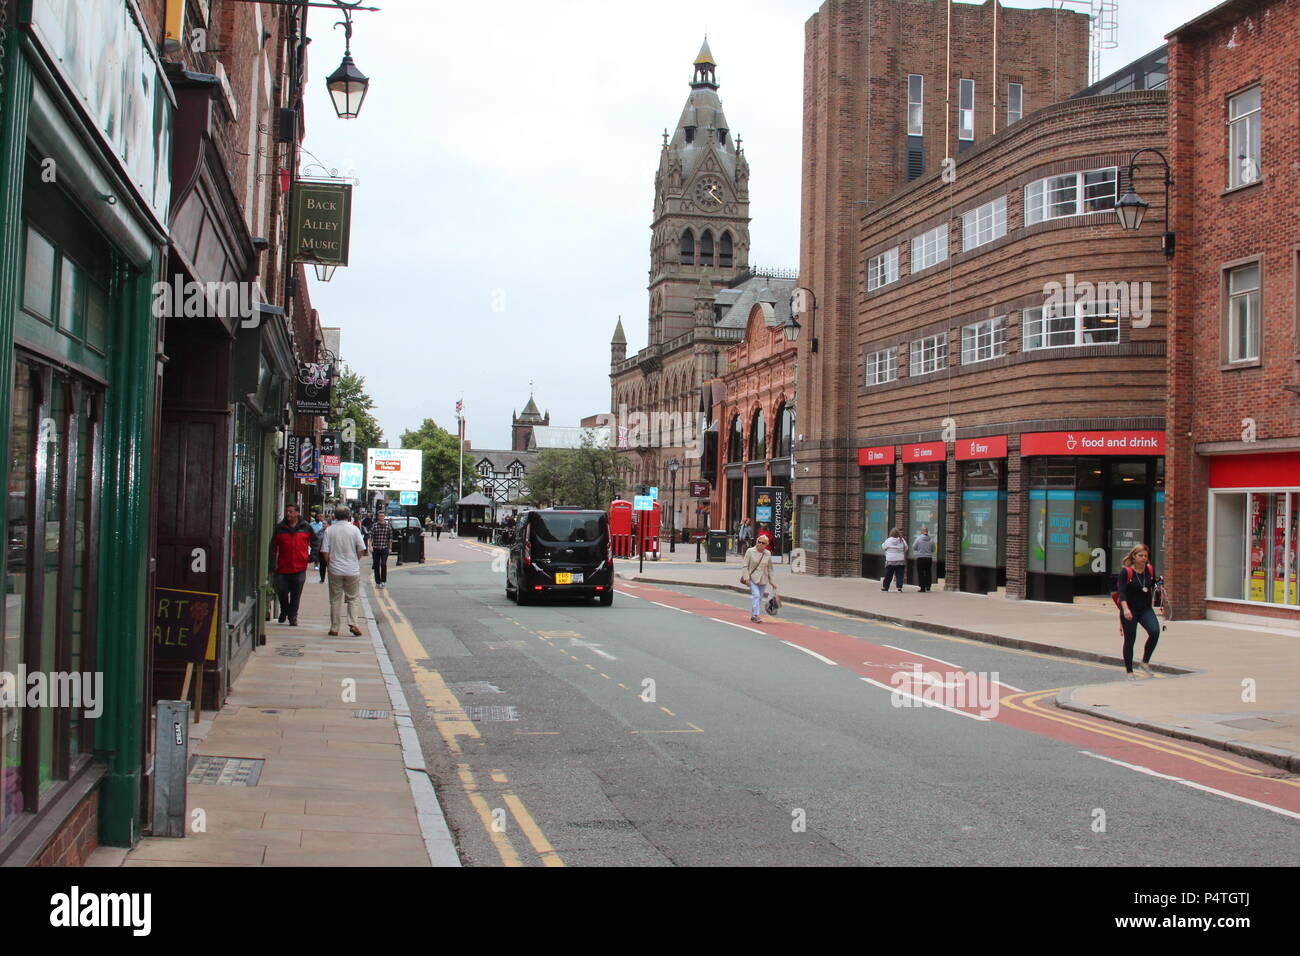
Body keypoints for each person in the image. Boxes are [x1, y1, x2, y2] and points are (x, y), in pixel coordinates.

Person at [1117, 543, 1163, 681]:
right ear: (1134, 556)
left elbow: (1151, 585)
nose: (1143, 558)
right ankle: (1129, 672)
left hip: (1145, 609)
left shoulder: (1149, 569)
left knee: (1155, 631)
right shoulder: (1126, 572)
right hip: (1129, 610)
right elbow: (1122, 593)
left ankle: (1144, 662)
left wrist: (1159, 585)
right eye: (1140, 556)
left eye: (1145, 556)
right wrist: (1125, 609)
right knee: (1130, 640)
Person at [320, 506, 368, 636]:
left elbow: (324, 550)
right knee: (352, 598)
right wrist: (355, 560)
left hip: (335, 569)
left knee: (335, 599)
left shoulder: (329, 530)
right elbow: (361, 548)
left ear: (334, 516)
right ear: (349, 516)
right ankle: (353, 624)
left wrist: (330, 564)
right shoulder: (354, 529)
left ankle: (334, 628)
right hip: (352, 569)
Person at [269, 504, 314, 625]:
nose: (288, 514)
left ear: (297, 513)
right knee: (281, 591)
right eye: (287, 511)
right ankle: (285, 610)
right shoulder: (280, 528)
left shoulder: (306, 527)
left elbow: (315, 542)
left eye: (290, 511)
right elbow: (273, 547)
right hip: (283, 567)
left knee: (296, 594)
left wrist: (312, 557)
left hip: (299, 567)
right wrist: (271, 564)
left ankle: (292, 617)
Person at [741, 532, 776, 624]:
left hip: (763, 579)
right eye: (759, 542)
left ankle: (753, 615)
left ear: (766, 545)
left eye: (763, 543)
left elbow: (770, 569)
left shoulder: (767, 553)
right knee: (756, 595)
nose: (760, 544)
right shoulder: (750, 551)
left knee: (759, 597)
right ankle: (756, 615)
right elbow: (745, 566)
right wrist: (746, 578)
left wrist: (772, 582)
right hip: (752, 578)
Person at [370, 512, 394, 588]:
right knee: (376, 565)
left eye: (383, 516)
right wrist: (370, 546)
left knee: (383, 564)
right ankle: (378, 582)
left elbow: (390, 538)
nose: (381, 517)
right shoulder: (374, 526)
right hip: (376, 548)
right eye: (380, 516)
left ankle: (383, 581)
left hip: (384, 548)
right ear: (378, 517)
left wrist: (390, 548)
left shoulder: (388, 526)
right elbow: (371, 537)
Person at [881, 527, 908, 592]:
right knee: (899, 575)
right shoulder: (902, 540)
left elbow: (883, 547)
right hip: (900, 560)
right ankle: (899, 587)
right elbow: (906, 548)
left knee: (888, 575)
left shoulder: (888, 540)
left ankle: (886, 587)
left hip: (890, 560)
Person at [912, 526, 934, 592]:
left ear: (921, 532)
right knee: (928, 572)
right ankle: (928, 586)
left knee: (921, 572)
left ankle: (922, 587)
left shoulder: (918, 539)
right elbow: (933, 549)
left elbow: (914, 547)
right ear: (927, 532)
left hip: (920, 558)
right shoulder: (931, 539)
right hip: (928, 558)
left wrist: (919, 549)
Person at [309, 511, 326, 582]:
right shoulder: (311, 524)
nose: (319, 518)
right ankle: (315, 564)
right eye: (318, 516)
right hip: (314, 541)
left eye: (320, 516)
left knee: (321, 557)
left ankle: (317, 564)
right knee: (315, 554)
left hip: (321, 543)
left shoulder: (322, 525)